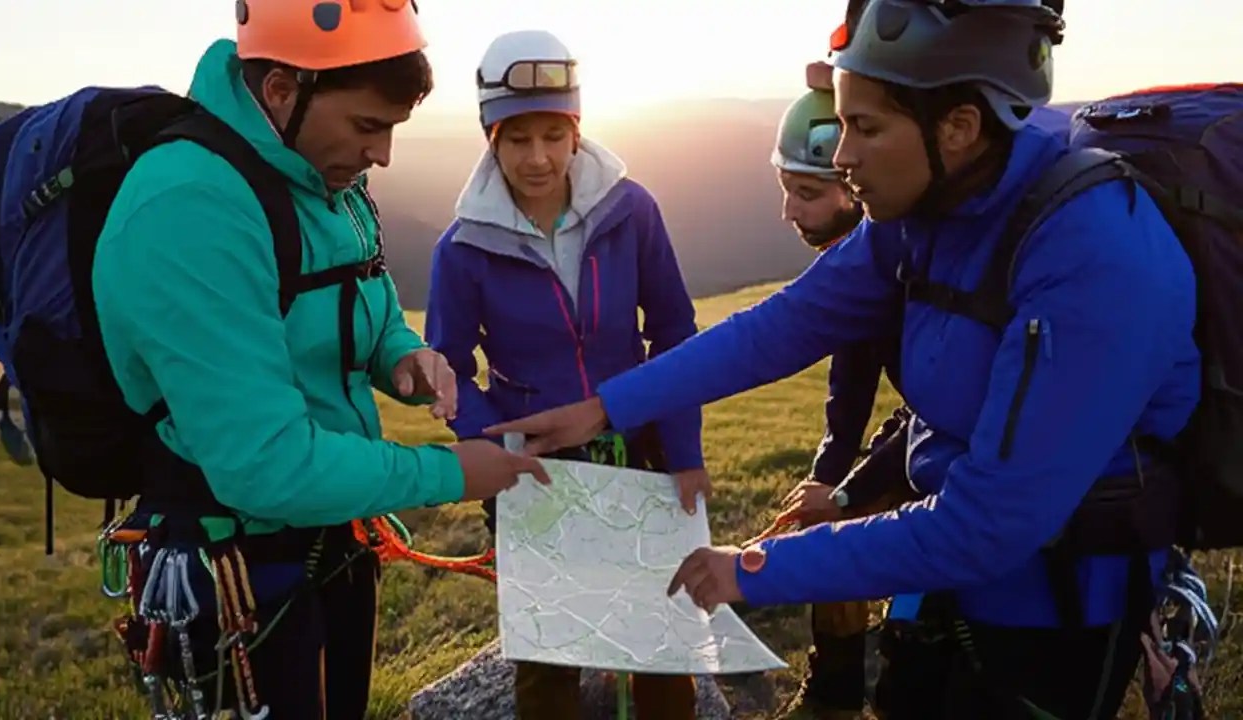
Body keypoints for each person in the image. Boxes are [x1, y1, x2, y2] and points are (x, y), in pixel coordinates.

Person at [488, 1, 1201, 717]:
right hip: (940, 576)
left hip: (1056, 612)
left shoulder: (1096, 258)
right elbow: (781, 327)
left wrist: (751, 570)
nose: (840, 157)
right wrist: (609, 406)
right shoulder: (933, 203)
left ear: (959, 127)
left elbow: (986, 525)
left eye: (865, 127)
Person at [90, 2, 547, 717]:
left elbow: (367, 294)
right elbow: (265, 466)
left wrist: (400, 356)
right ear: (281, 88)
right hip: (237, 562)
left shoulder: (319, 171)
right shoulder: (190, 208)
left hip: (328, 537)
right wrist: (452, 472)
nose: (383, 155)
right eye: (369, 126)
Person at [424, 29, 709, 720]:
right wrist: (497, 447)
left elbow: (673, 331)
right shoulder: (464, 247)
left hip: (638, 453)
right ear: (489, 136)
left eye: (555, 133)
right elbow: (449, 368)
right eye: (517, 137)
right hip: (534, 476)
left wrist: (684, 455)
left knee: (661, 641)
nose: (539, 157)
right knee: (548, 656)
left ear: (577, 128)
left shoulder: (631, 210)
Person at [767, 73, 918, 720]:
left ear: (857, 188)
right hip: (925, 425)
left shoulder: (918, 266)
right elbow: (849, 395)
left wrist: (848, 492)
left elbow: (950, 411)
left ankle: (893, 687)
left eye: (807, 192)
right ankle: (834, 691)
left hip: (963, 439)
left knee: (874, 537)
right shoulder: (865, 267)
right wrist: (823, 486)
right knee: (826, 519)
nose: (789, 211)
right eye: (787, 190)